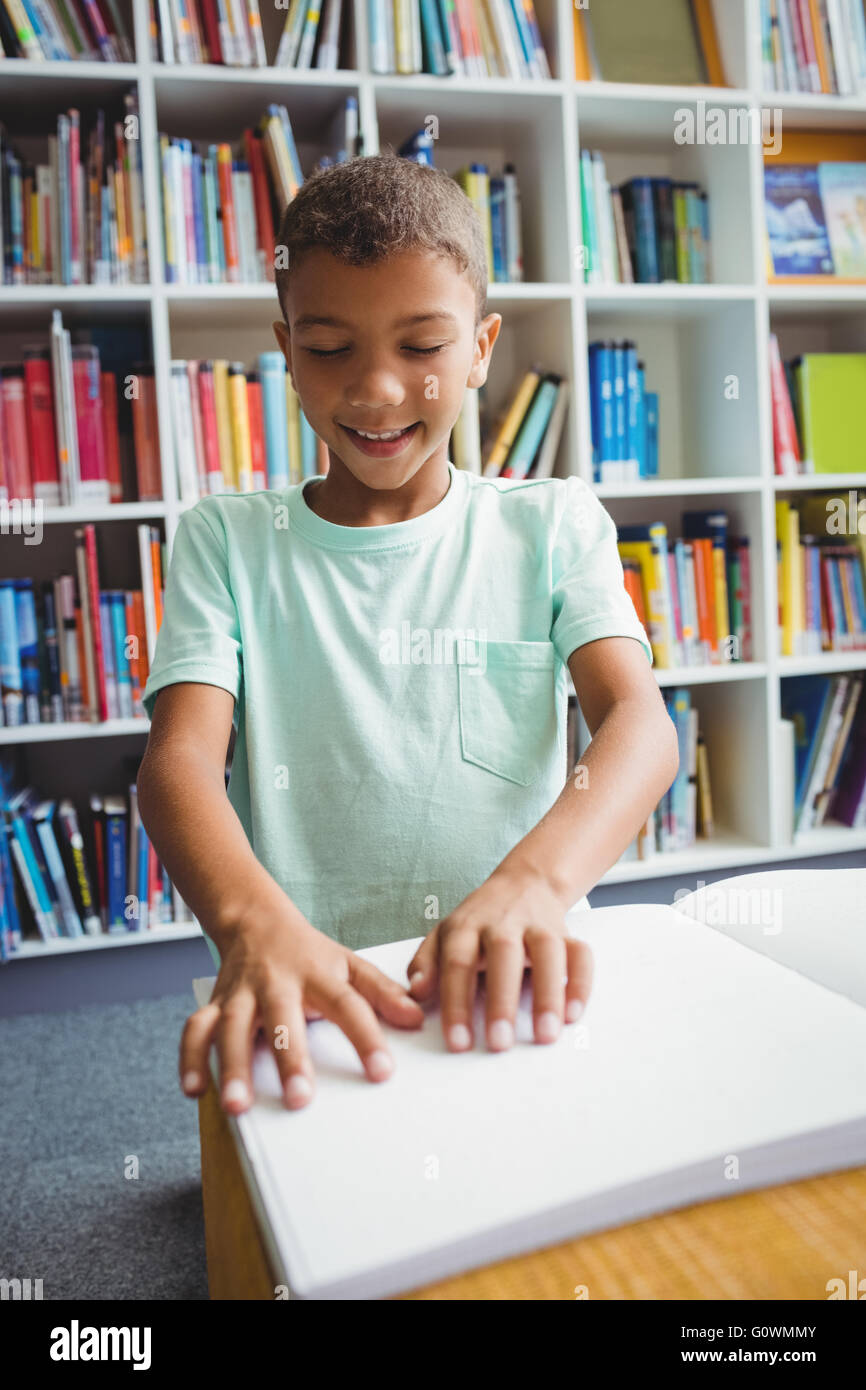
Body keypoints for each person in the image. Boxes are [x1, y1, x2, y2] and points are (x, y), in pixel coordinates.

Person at [137, 154, 678, 1114]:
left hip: (514, 981)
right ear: (287, 349)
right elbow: (178, 766)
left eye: (423, 347)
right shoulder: (226, 540)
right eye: (331, 348)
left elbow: (639, 724)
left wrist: (536, 887)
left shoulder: (551, 523)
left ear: (481, 347)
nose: (378, 391)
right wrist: (251, 925)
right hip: (306, 996)